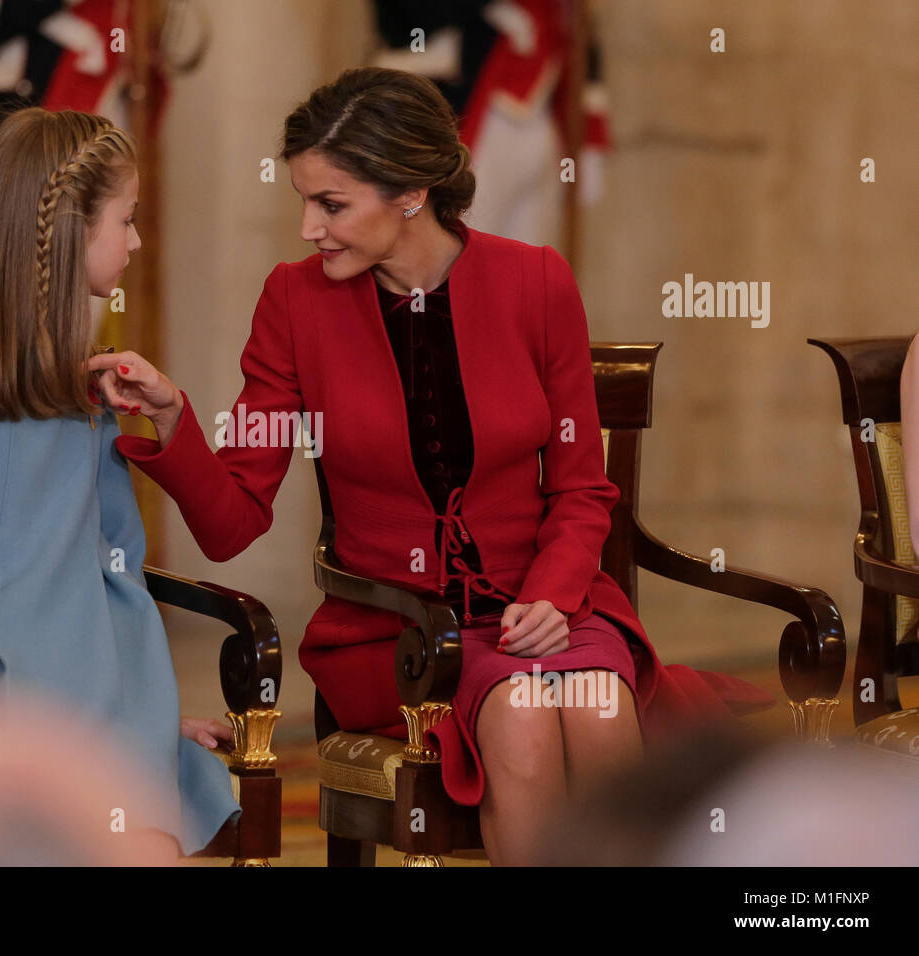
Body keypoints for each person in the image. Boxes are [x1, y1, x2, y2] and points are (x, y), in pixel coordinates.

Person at [88, 67, 773, 865]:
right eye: (305, 202)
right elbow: (233, 520)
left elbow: (584, 488)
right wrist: (173, 419)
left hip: (552, 610)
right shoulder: (294, 303)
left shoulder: (537, 281)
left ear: (410, 193)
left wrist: (553, 597)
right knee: (519, 711)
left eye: (332, 204)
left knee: (597, 710)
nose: (310, 227)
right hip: (400, 635)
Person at [0, 106, 240, 861]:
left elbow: (108, 565)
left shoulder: (86, 372)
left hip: (99, 681)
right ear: (70, 229)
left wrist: (150, 712)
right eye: (126, 221)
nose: (135, 241)